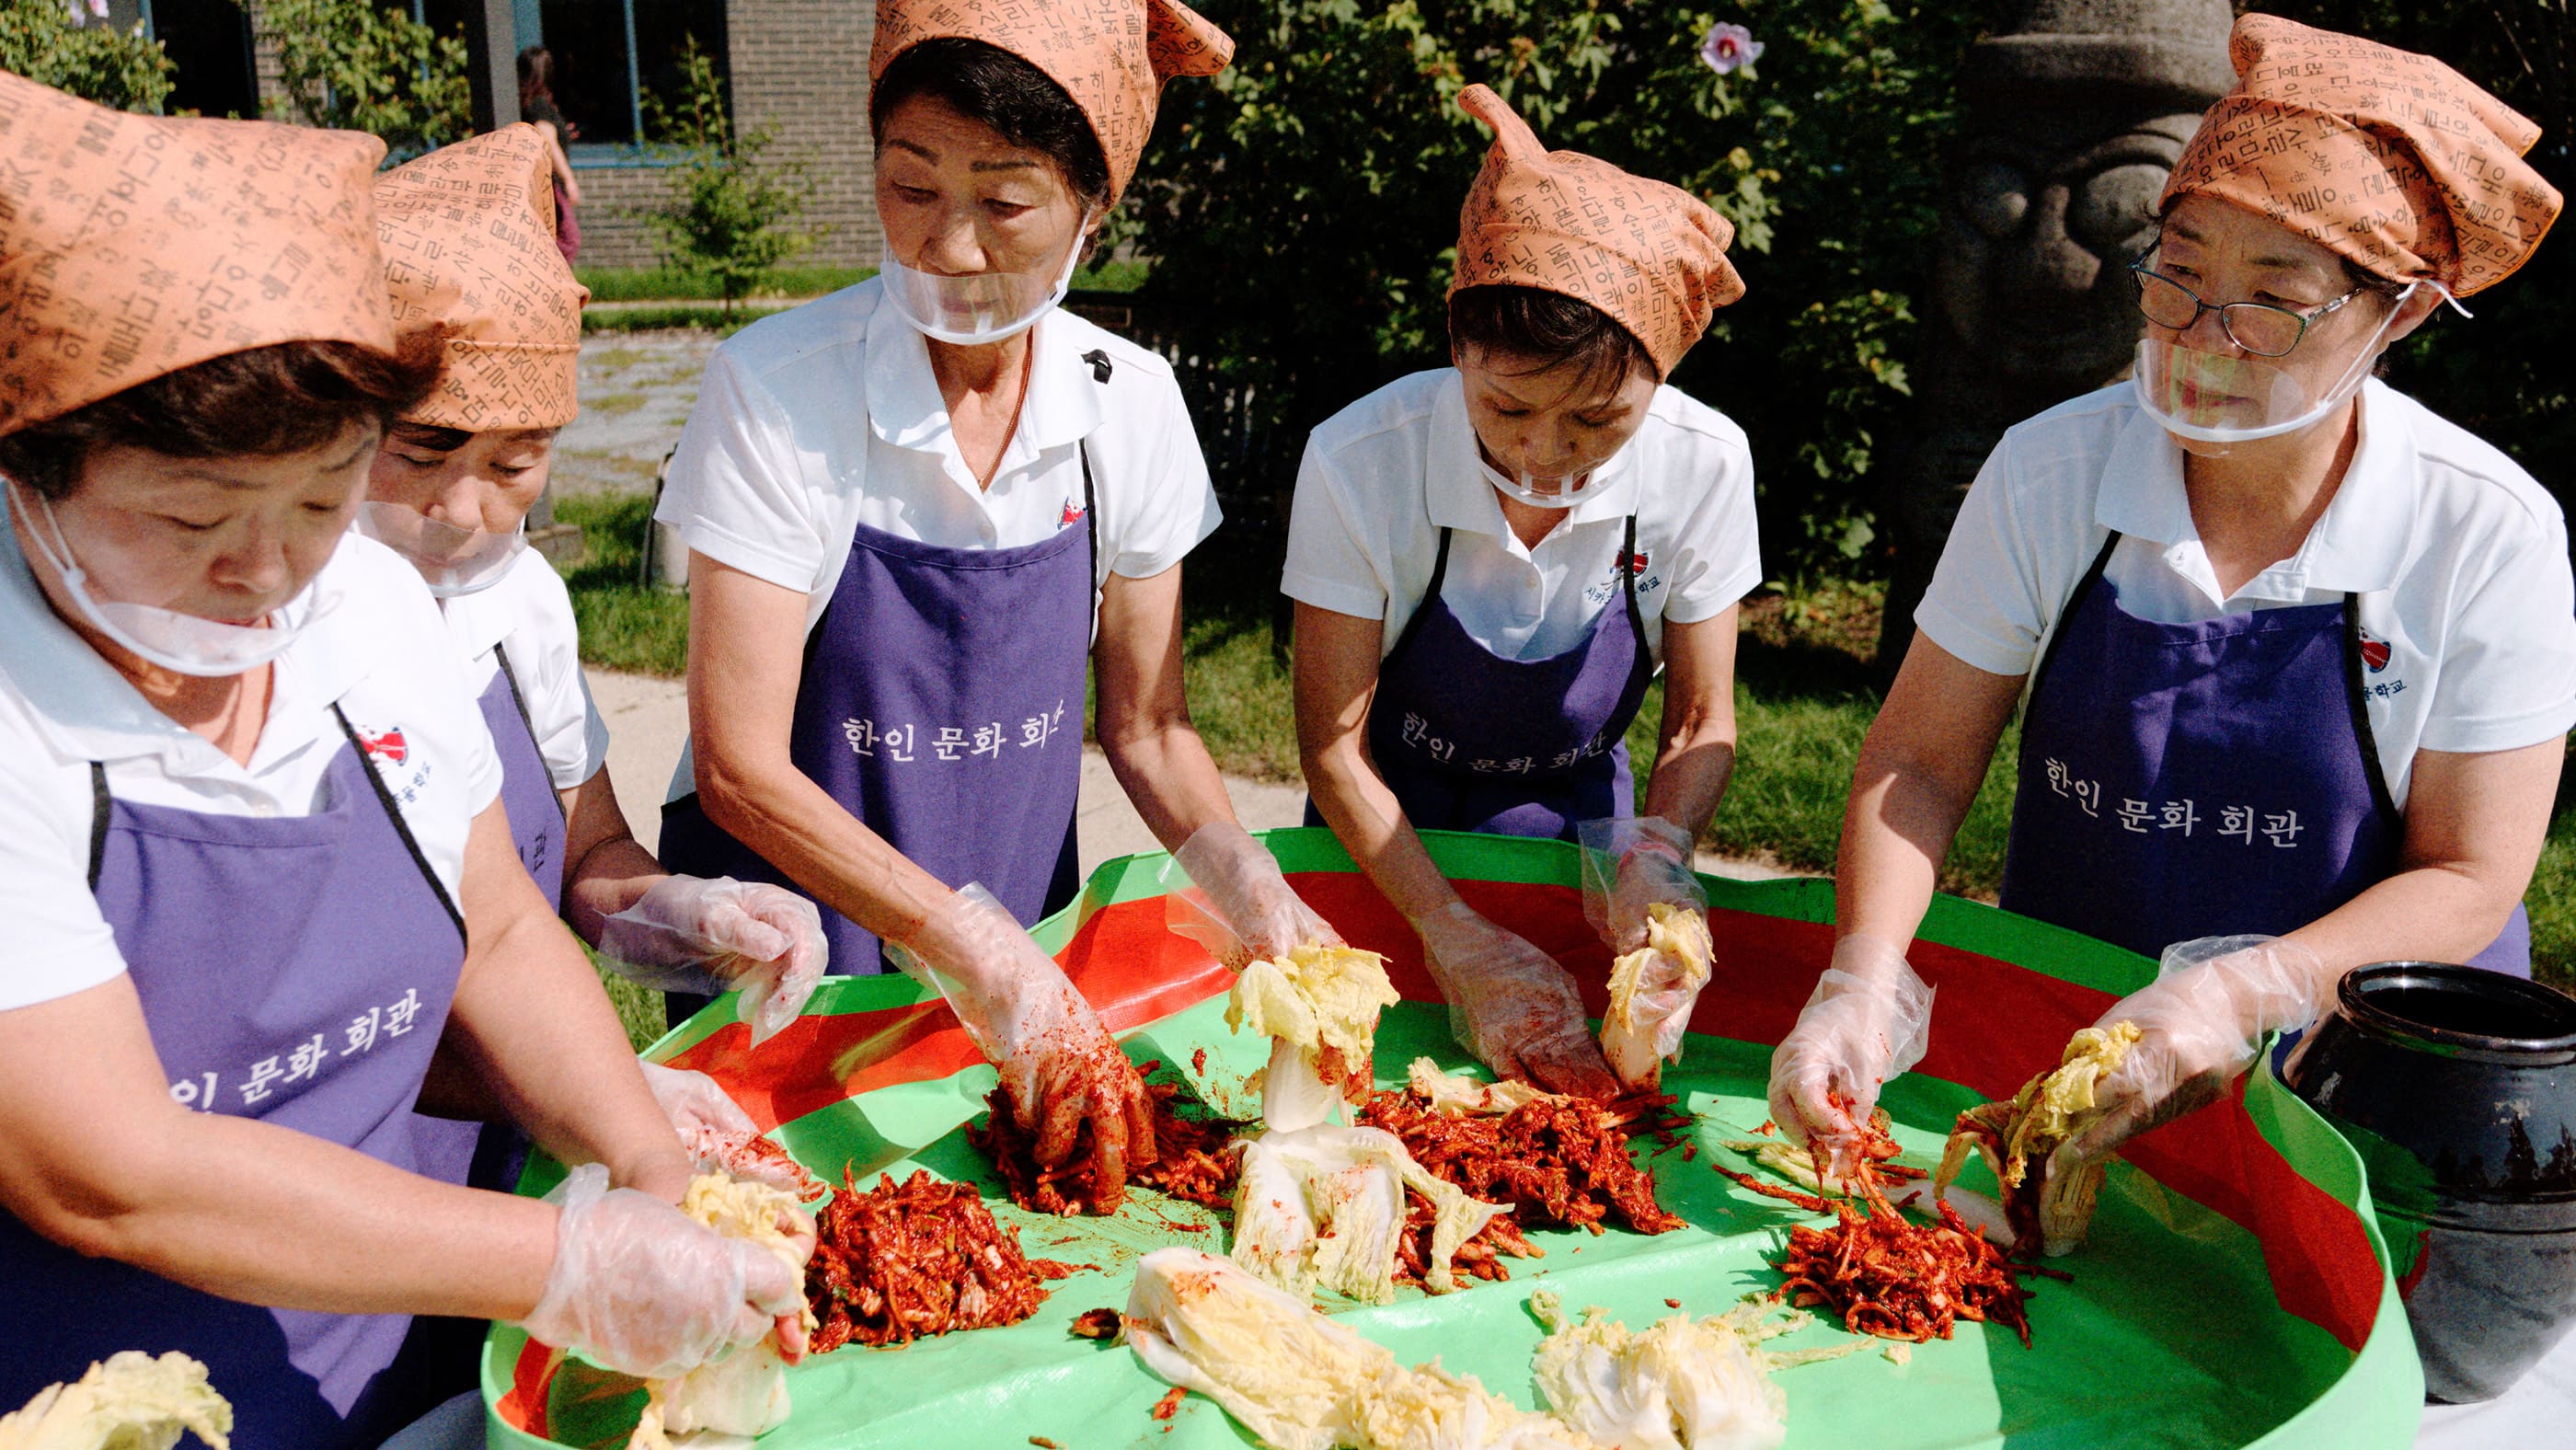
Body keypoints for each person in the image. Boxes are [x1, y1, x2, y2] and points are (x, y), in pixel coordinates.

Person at [0, 77, 799, 1449]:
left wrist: (653, 1178)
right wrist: (559, 1266)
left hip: (396, 1326)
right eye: (190, 517)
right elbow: (111, 1172)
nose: (262, 575)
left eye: (319, 500)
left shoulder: (363, 607)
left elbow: (494, 928)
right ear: (26, 471)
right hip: (89, 1389)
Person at [1769, 15, 2575, 1183]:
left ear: (2395, 312)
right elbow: (1922, 763)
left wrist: (2244, 990)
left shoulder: (2481, 527)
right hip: (2075, 1038)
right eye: (2179, 276)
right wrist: (1865, 971)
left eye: (2269, 299)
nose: (2203, 335)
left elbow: (2469, 876)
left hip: (2362, 1078)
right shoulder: (2051, 470)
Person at [652, 0, 1333, 1211]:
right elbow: (738, 766)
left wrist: (1252, 886)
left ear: (1094, 206)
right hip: (792, 967)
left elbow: (1151, 725)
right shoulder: (778, 389)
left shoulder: (1128, 406)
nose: (949, 247)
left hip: (1022, 935)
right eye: (910, 187)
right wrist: (969, 949)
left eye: (1005, 202)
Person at [1285, 85, 1758, 1097]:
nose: (1545, 456)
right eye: (1505, 408)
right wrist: (1447, 926)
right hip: (1383, 839)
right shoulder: (1359, 458)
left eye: (1597, 423)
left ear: (1660, 383)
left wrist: (1660, 860)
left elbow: (1700, 718)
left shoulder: (1705, 465)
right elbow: (1332, 746)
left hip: (1586, 842)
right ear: (1456, 342)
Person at [363, 123, 827, 1050]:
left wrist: (687, 916)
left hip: (519, 1133)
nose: (463, 509)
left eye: (514, 464)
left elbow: (589, 857)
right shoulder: (256, 630)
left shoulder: (521, 601)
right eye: (423, 453)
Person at [516, 47, 581, 262]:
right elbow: (547, 138)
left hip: (538, 185)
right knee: (567, 240)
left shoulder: (526, 106)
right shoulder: (539, 105)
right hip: (550, 185)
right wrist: (568, 179)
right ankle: (555, 286)